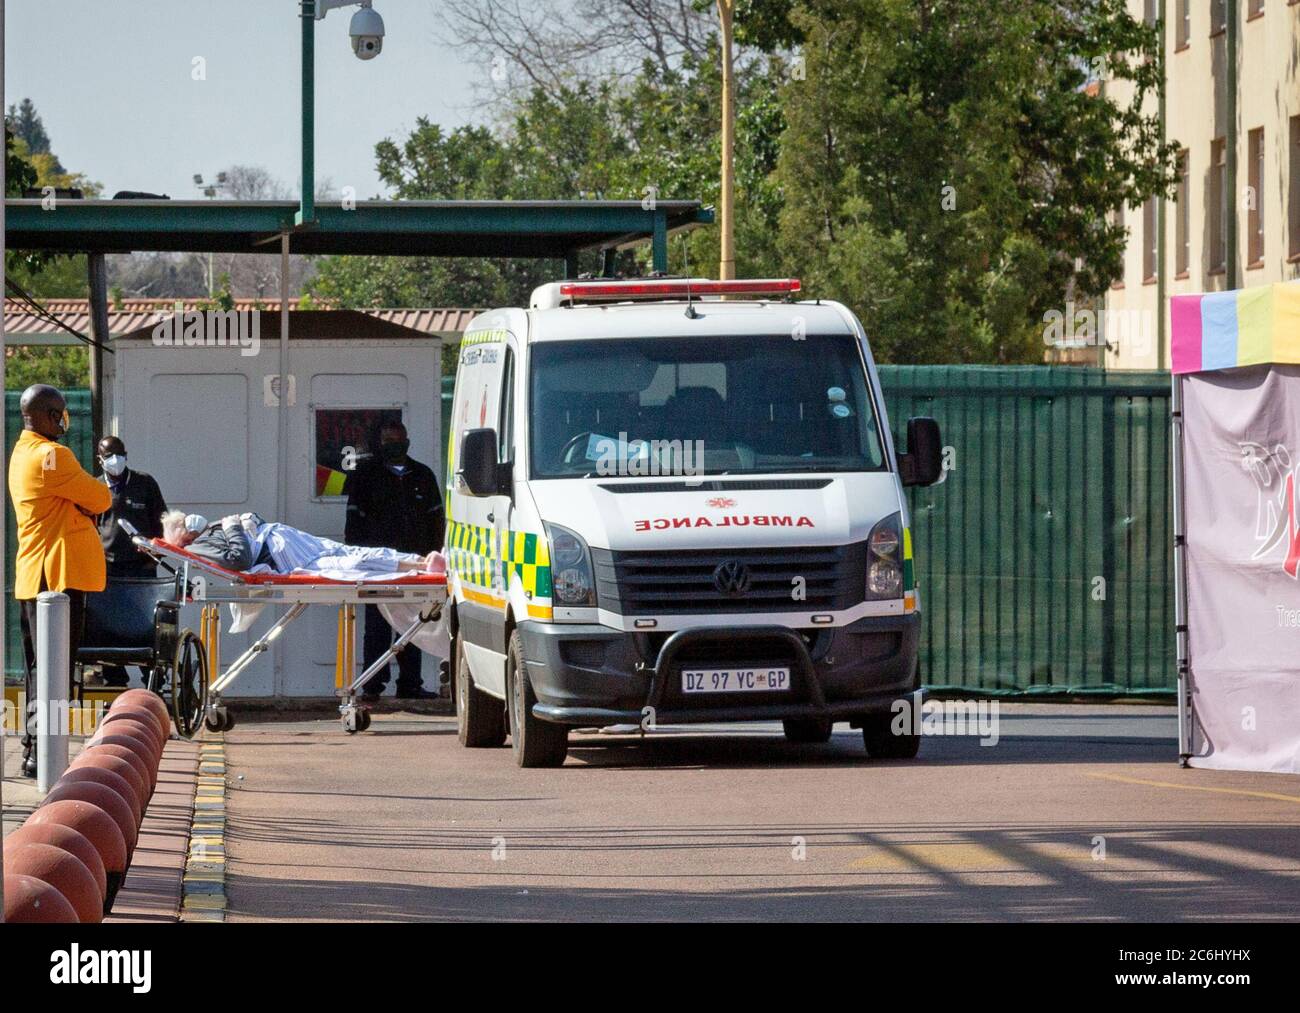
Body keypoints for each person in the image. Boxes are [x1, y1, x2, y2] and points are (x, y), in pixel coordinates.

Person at [8, 384, 113, 777]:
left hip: (34, 575)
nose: (65, 420)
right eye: (61, 413)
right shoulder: (53, 455)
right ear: (51, 416)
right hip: (57, 579)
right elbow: (100, 499)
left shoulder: (22, 452)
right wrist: (83, 501)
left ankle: (34, 750)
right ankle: (44, 756)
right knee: (56, 672)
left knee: (38, 671)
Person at [344, 421, 444, 701]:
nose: (393, 445)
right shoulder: (366, 476)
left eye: (397, 439)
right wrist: (356, 560)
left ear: (407, 442)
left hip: (416, 566)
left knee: (414, 624)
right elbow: (353, 521)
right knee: (376, 627)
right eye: (387, 440)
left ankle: (410, 684)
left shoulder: (422, 475)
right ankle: (372, 686)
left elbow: (437, 520)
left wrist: (435, 559)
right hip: (378, 566)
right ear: (380, 443)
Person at [93, 435, 168, 687]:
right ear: (100, 459)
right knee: (109, 624)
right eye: (109, 455)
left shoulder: (144, 484)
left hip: (142, 568)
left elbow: (162, 520)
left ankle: (153, 679)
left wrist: (157, 553)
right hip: (108, 568)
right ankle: (114, 680)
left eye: (120, 454)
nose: (116, 460)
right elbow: (90, 527)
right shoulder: (94, 488)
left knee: (148, 623)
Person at [160, 510, 441, 576]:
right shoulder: (197, 546)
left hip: (282, 540)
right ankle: (417, 564)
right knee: (351, 561)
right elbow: (240, 559)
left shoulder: (209, 532)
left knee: (349, 554)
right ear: (185, 535)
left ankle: (419, 560)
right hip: (282, 553)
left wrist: (250, 521)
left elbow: (251, 527)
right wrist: (234, 526)